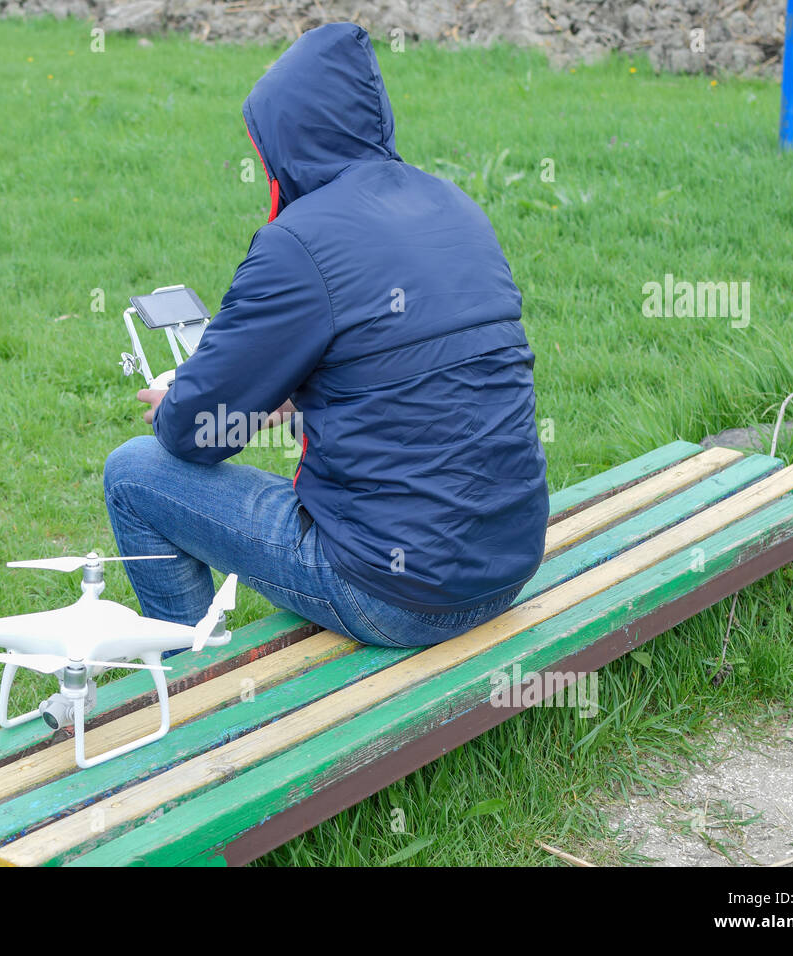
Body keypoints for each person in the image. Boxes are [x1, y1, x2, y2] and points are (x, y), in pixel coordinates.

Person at [104, 22, 548, 649]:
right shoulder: (456, 207)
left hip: (398, 595)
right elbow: (407, 378)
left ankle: (187, 682)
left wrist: (179, 401)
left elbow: (194, 434)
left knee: (134, 472)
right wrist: (287, 401)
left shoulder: (297, 244)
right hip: (509, 561)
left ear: (279, 141)